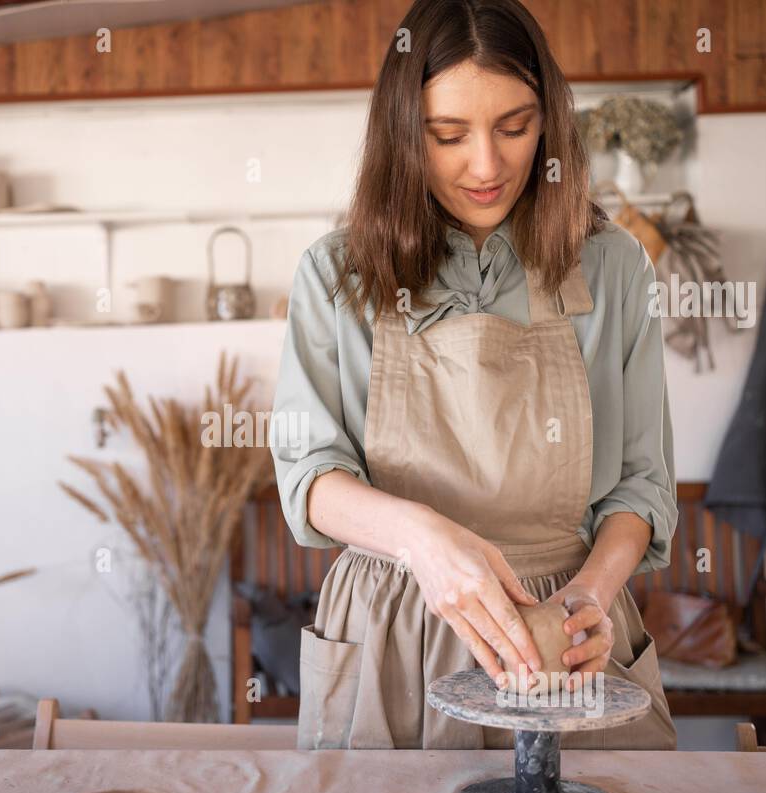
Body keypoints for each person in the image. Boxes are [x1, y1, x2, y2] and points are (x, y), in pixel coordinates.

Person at [270, 0, 677, 750]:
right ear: (402, 133)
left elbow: (642, 487)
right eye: (447, 135)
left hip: (570, 637)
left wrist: (589, 595)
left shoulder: (613, 266)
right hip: (395, 625)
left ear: (549, 121)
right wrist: (424, 539)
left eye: (516, 127)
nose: (487, 166)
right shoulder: (337, 273)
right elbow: (309, 477)